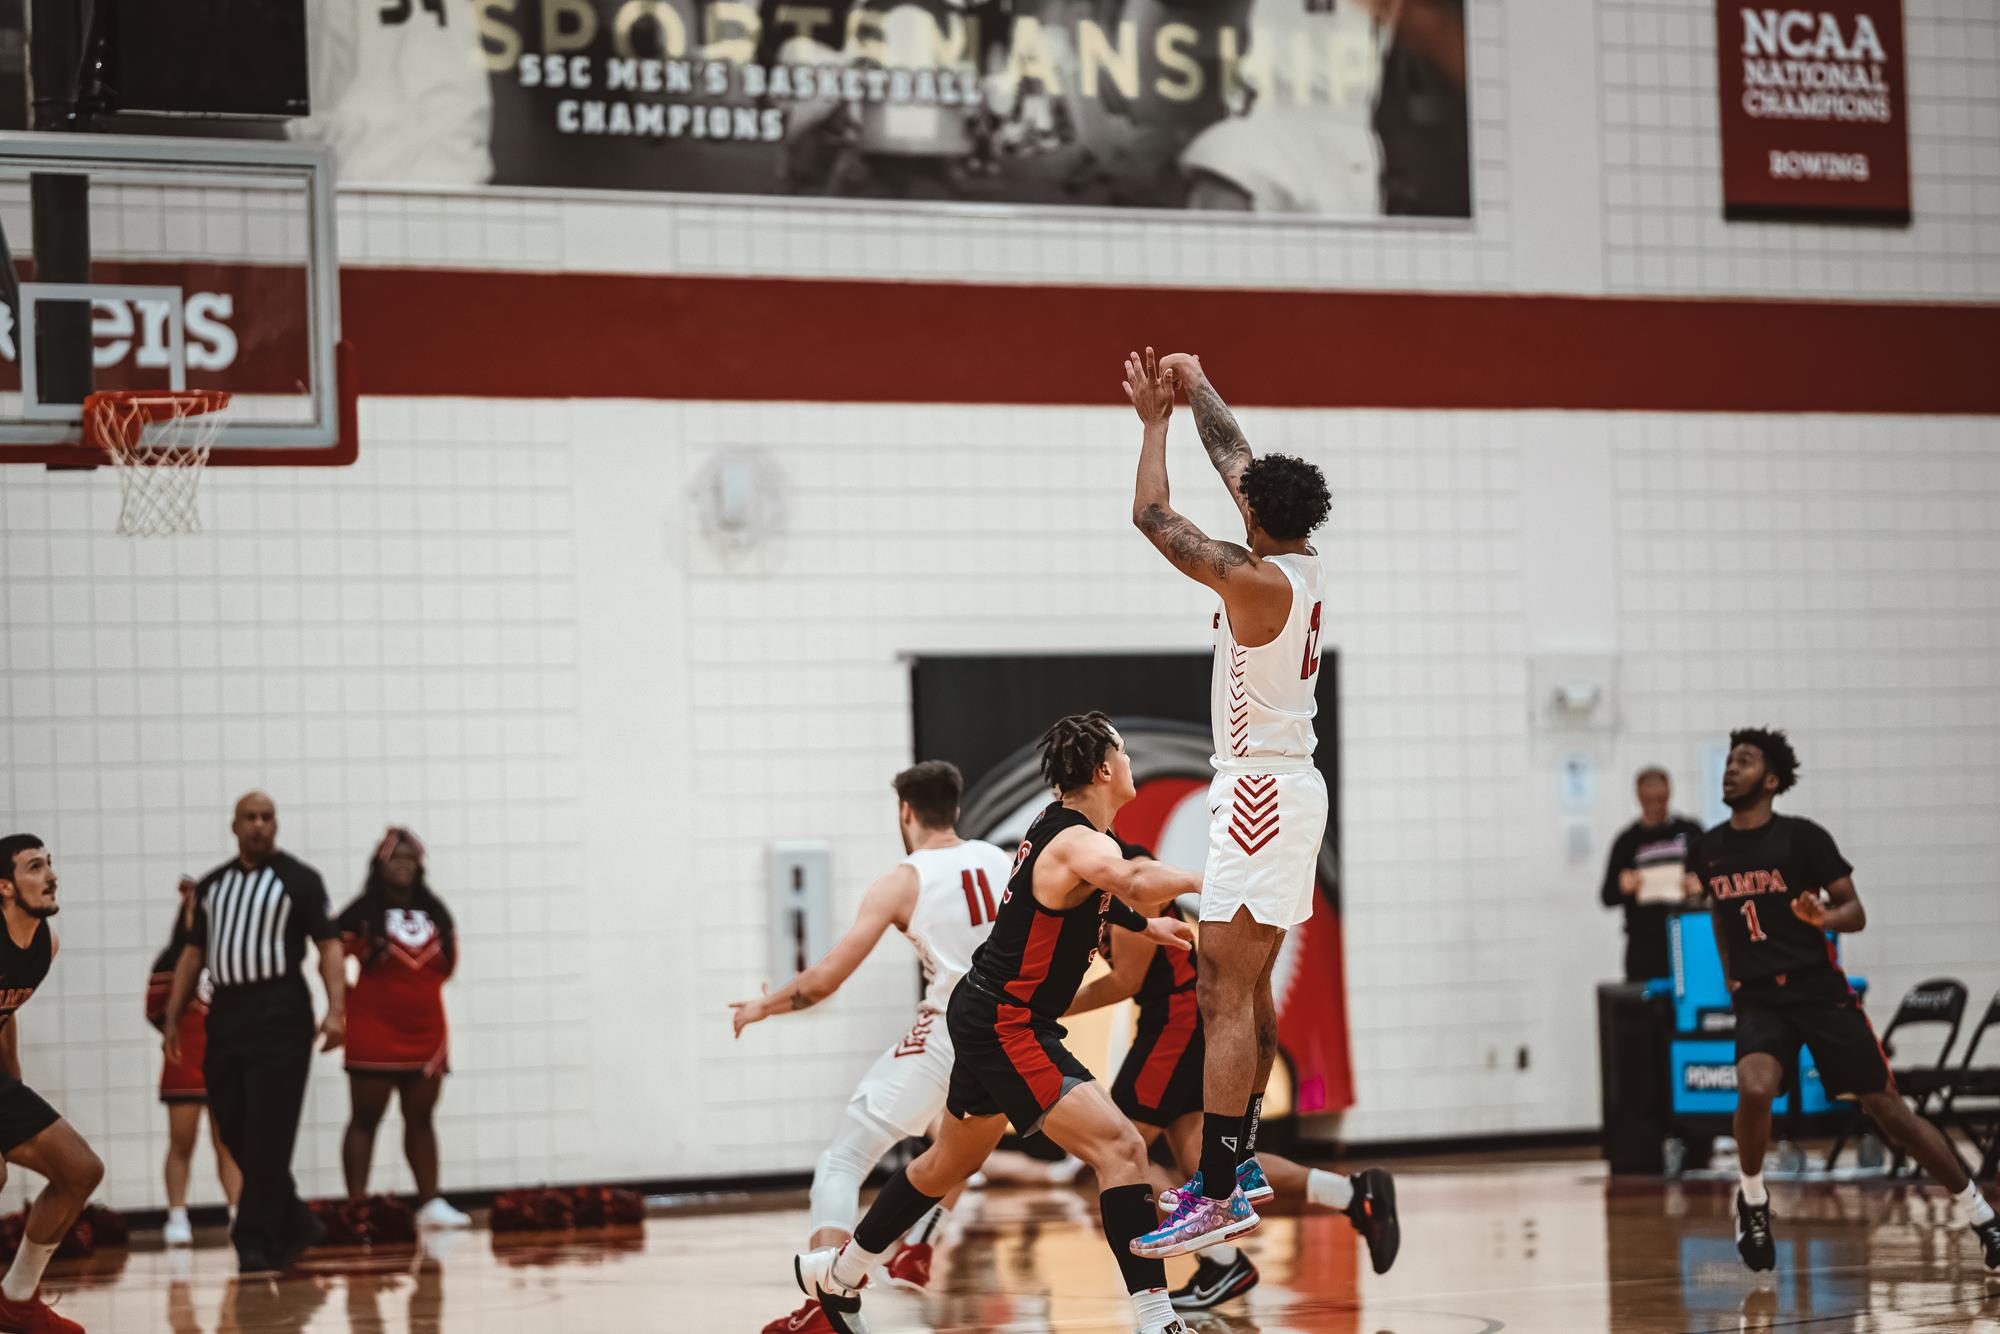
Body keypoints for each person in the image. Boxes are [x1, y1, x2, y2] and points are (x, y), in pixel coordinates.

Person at [792, 714, 1201, 1334]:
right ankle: (1156, 1320)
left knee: (944, 1167)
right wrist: (1216, 876)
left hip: (988, 1014)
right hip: (1008, 1023)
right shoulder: (1081, 840)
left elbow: (1095, 896)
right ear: (1104, 769)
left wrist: (1147, 927)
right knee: (1122, 1149)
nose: (1129, 764)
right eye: (1123, 752)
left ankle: (840, 1276)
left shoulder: (1064, 832)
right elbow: (1134, 879)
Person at [1121, 348, 1396, 1263]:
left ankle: (1217, 1193)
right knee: (1245, 983)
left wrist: (1155, 422)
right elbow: (1237, 450)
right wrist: (1196, 385)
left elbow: (1153, 516)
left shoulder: (1252, 579)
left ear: (1251, 515)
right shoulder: (1299, 559)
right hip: (1285, 786)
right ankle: (1234, 1171)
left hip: (1260, 792)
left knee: (1218, 987)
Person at [1693, 728, 1999, 1273]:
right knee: (1755, 1086)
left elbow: (1855, 911)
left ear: (1770, 780)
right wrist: (1732, 975)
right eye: (1728, 760)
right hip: (1762, 998)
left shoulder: (1804, 838)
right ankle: (1754, 1199)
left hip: (1819, 990)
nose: (1730, 769)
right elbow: (1720, 914)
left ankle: (1982, 1216)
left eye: (1744, 761)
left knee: (1889, 1111)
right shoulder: (1709, 848)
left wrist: (1824, 918)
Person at [733, 762, 1014, 1334]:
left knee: (843, 1160)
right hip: (1009, 1033)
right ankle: (921, 1242)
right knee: (955, 1147)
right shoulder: (1000, 859)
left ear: (905, 812)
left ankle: (825, 1304)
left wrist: (765, 1005)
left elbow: (823, 981)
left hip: (948, 1028)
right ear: (955, 808)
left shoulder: (902, 880)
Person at [1068, 848, 1398, 1308]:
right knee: (1198, 1159)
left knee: (1119, 1149)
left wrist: (1050, 1008)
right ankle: (1351, 1193)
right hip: (1173, 1022)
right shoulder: (1100, 881)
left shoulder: (1133, 873)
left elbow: (1125, 979)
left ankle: (1221, 1264)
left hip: (1174, 1024)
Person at [163, 792, 346, 1274]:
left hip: (280, 1010)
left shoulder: (300, 880)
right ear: (234, 825)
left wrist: (335, 1011)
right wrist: (172, 1016)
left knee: (271, 1127)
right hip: (226, 1012)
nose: (260, 825)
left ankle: (253, 1237)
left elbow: (328, 945)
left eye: (267, 818)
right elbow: (192, 954)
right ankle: (298, 1221)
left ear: (277, 825)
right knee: (233, 1122)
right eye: (251, 817)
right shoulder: (213, 885)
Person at [336, 827, 468, 1229]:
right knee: (365, 1118)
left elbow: (447, 966)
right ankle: (357, 1205)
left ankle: (429, 1202)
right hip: (373, 1030)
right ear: (380, 864)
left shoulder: (436, 911)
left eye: (412, 859)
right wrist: (342, 998)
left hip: (426, 1031)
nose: (405, 866)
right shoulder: (360, 911)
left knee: (422, 1117)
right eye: (397, 858)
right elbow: (330, 953)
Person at [0, 835, 105, 1334]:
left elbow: (5, 1014)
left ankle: (15, 1302)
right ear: (4, 886)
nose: (50, 875)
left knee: (80, 1171)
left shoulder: (45, 944)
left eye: (50, 865)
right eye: (35, 867)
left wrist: (14, 1088)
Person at [145, 876, 241, 1247]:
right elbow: (153, 1011)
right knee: (181, 1142)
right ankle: (177, 1216)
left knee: (228, 1144)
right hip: (184, 1062)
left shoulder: (232, 959)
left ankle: (237, 1214)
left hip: (225, 1063)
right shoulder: (170, 961)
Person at [1599, 767, 1705, 981]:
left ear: (1669, 794)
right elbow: (1607, 895)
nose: (1655, 805)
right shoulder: (1627, 840)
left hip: (1687, 934)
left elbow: (1717, 878)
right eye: (1649, 799)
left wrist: (1702, 885)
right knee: (1644, 1007)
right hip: (1643, 943)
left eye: (1660, 798)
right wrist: (1624, 887)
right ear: (1639, 797)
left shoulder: (1690, 831)